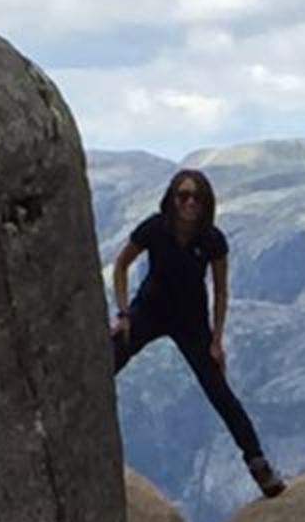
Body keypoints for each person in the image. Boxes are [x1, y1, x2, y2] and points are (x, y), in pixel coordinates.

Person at [110, 168, 285, 498]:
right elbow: (121, 265)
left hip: (191, 322)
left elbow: (220, 291)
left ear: (206, 203)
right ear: (172, 199)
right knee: (104, 363)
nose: (190, 202)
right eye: (183, 196)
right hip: (149, 311)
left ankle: (258, 465)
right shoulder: (154, 228)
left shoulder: (213, 240)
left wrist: (217, 340)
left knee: (220, 392)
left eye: (197, 197)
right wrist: (122, 314)